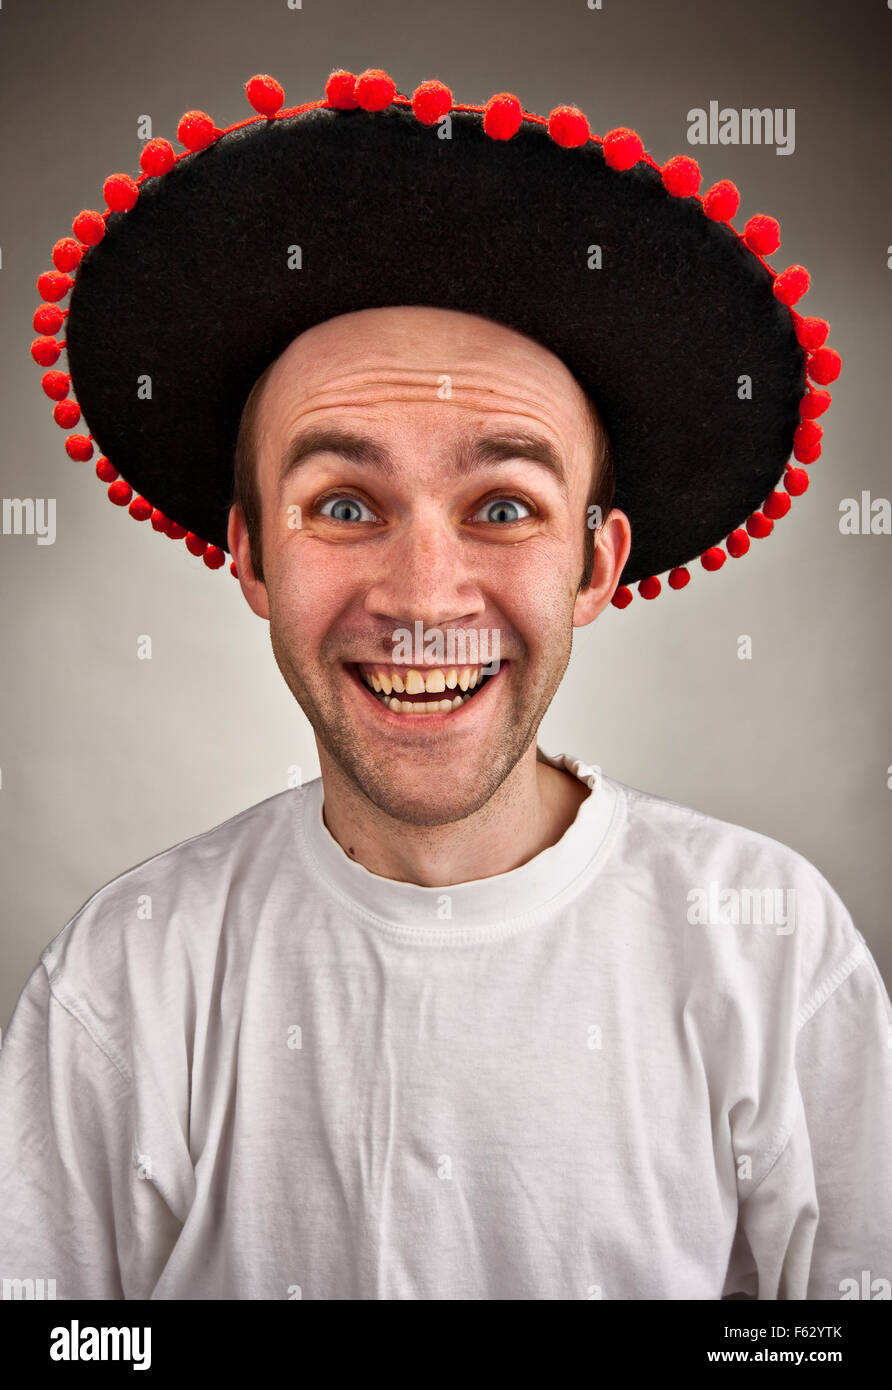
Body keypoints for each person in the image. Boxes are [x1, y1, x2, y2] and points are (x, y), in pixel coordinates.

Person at [2, 67, 889, 1302]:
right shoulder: (123, 974)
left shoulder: (769, 945)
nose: (425, 596)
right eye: (345, 504)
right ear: (251, 552)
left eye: (506, 505)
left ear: (594, 561)